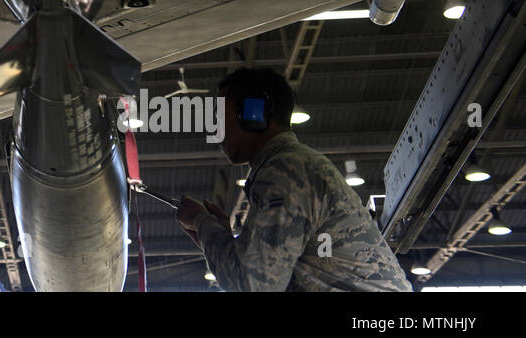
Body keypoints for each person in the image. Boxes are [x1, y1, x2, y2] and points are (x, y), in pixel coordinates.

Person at [175, 67, 411, 291]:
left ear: (254, 114)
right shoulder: (295, 165)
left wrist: (201, 222)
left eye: (221, 115)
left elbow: (254, 285)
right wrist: (222, 239)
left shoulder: (285, 173)